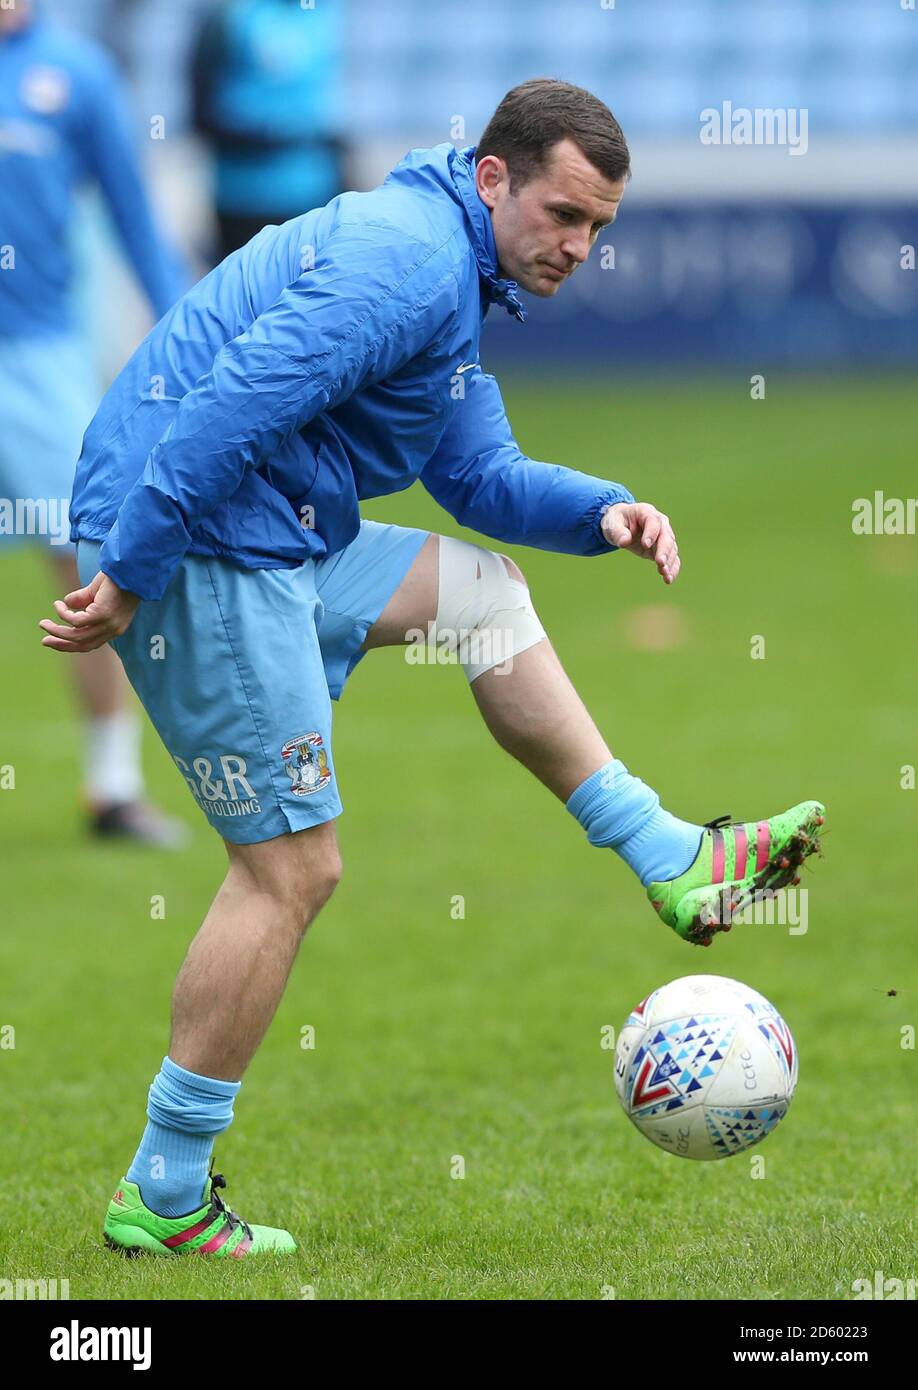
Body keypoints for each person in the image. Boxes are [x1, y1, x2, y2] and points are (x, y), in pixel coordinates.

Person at [41, 79, 825, 1257]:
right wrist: (136, 568)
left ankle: (672, 859)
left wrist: (604, 510)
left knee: (482, 595)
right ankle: (163, 1193)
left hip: (268, 530)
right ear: (494, 178)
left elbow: (478, 478)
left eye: (599, 229)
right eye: (564, 215)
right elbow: (231, 402)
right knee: (290, 872)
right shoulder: (407, 264)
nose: (579, 248)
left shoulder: (449, 272)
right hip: (198, 536)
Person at [0, 0, 189, 844]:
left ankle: (112, 790)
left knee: (87, 559)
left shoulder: (75, 73)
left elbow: (133, 216)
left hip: (38, 358)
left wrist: (195, 337)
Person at [190, 0, 348, 261]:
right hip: (245, 203)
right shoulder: (230, 16)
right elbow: (200, 115)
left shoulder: (324, 12)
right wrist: (273, 136)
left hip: (315, 200)